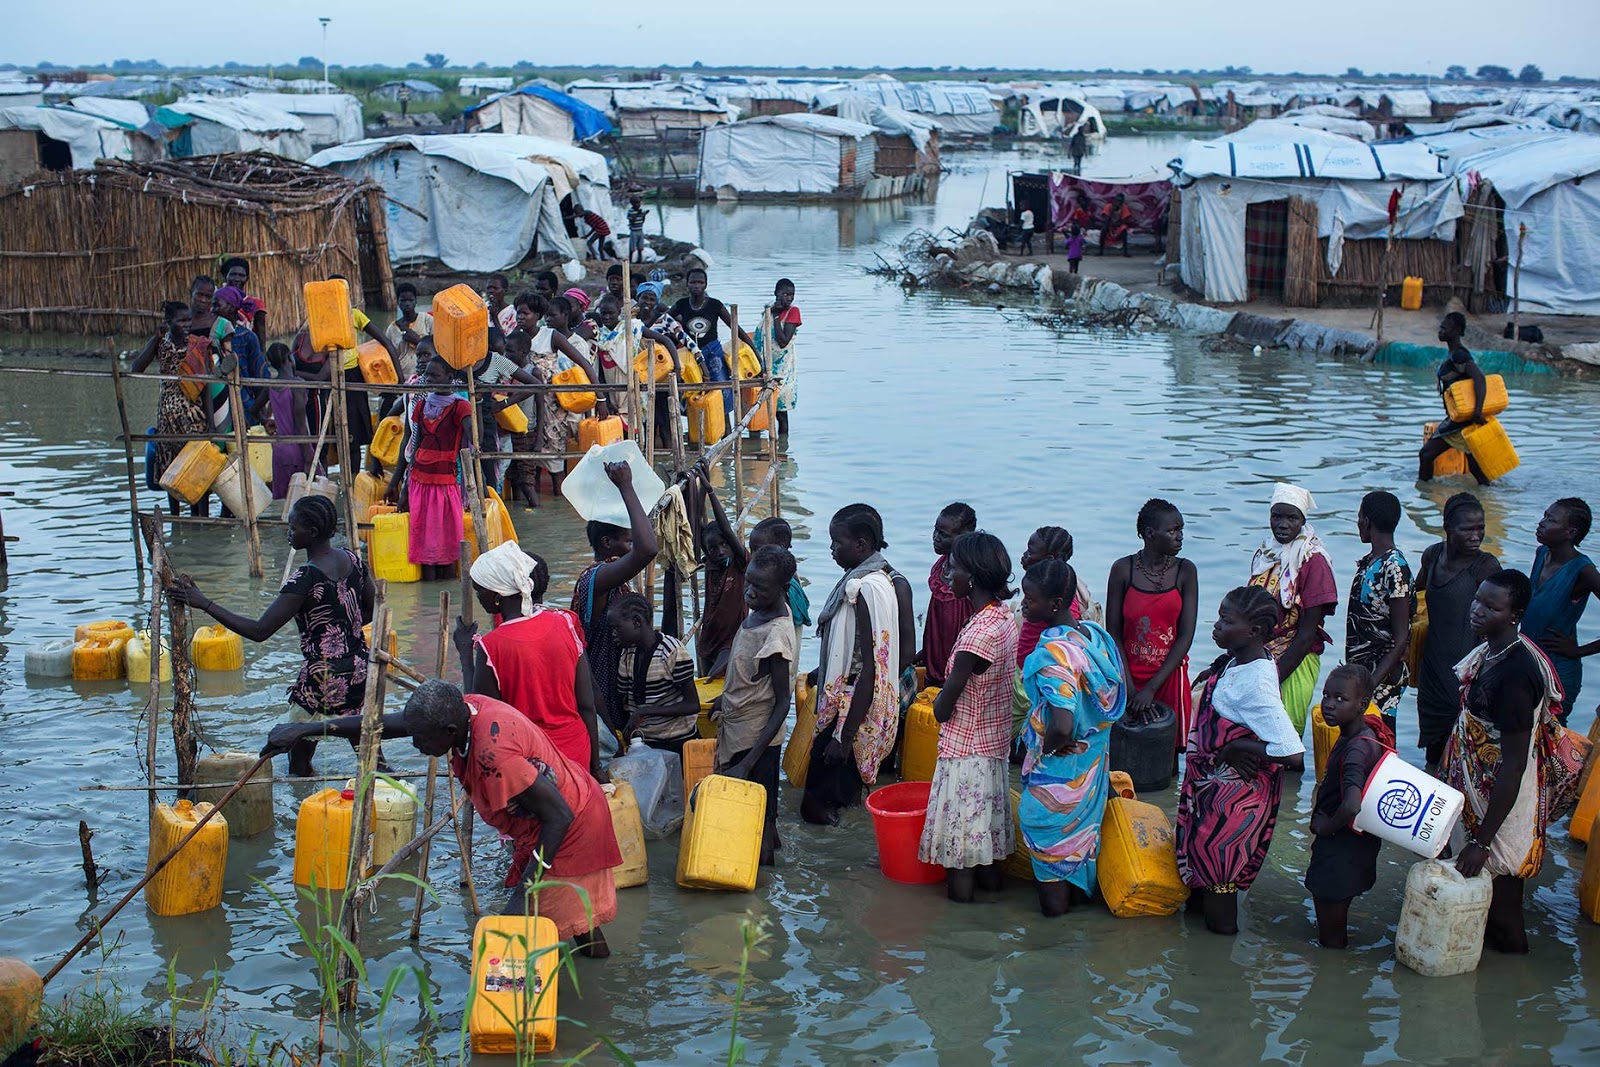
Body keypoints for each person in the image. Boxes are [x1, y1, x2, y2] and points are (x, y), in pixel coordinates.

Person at [263, 681, 619, 957]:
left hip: (570, 827)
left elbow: (559, 815)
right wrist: (307, 730)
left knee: (538, 925)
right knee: (575, 920)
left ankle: (560, 1014)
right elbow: (384, 725)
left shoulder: (493, 755)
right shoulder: (465, 712)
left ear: (449, 732)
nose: (415, 744)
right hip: (555, 813)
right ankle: (593, 976)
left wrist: (526, 889)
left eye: (420, 737)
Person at [172, 496, 376, 776]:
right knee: (368, 751)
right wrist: (339, 630)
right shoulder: (353, 559)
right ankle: (387, 789)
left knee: (298, 761)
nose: (288, 532)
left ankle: (300, 806)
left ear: (313, 532)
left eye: (293, 528)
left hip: (322, 680)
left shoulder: (304, 579)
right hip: (360, 670)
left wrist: (204, 603)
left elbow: (260, 631)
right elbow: (370, 611)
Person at [1446, 570, 1565, 954]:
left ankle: (1520, 988)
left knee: (1504, 907)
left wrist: (1483, 841)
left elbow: (1513, 765)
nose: (1477, 610)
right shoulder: (1492, 651)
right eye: (1477, 599)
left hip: (1502, 802)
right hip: (1480, 790)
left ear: (1515, 614)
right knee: (1483, 898)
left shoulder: (1516, 674)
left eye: (1491, 606)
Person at [1176, 586, 1306, 936]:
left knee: (1221, 881)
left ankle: (1220, 971)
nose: (1216, 626)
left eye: (1226, 621)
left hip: (1231, 809)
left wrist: (1239, 749)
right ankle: (1194, 959)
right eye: (1219, 617)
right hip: (1214, 796)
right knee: (1204, 881)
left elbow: (1291, 751)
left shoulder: (1256, 683)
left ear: (1255, 632)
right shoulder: (1242, 658)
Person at [1017, 559, 1127, 915]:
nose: (1022, 605)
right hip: (1092, 770)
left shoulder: (1054, 653)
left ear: (1054, 604)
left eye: (1029, 599)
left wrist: (1043, 754)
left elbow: (1062, 724)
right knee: (1079, 849)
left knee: (1049, 856)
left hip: (1060, 779)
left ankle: (1053, 943)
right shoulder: (1095, 637)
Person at [919, 531, 1020, 901]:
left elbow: (944, 708)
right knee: (987, 850)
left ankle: (956, 941)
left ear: (973, 577)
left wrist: (934, 699)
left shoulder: (977, 635)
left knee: (959, 857)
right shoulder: (1003, 617)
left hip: (965, 756)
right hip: (992, 749)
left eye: (954, 569)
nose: (948, 576)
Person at [455, 541, 604, 783]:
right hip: (577, 753)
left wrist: (465, 654)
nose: (478, 596)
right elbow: (587, 704)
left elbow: (482, 716)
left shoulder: (492, 646)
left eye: (479, 590)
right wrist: (596, 767)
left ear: (495, 597)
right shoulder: (564, 623)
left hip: (533, 765)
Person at [802, 504, 904, 824]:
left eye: (837, 542)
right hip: (858, 708)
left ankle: (832, 864)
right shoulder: (878, 580)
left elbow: (869, 667)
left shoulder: (863, 590)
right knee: (843, 801)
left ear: (860, 545)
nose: (832, 549)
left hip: (849, 714)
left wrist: (842, 738)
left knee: (816, 808)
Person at [712, 545, 799, 865]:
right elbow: (749, 669)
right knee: (765, 815)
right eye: (748, 582)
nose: (748, 591)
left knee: (758, 816)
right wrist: (725, 696)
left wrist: (749, 761)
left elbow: (781, 703)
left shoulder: (776, 635)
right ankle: (769, 869)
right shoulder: (759, 610)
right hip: (738, 725)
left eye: (759, 587)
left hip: (757, 738)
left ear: (782, 590)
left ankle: (762, 890)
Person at [1306, 665, 1393, 949]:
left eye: (1340, 699)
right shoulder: (1364, 734)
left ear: (1362, 705)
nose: (1329, 705)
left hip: (1341, 848)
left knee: (1330, 938)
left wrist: (1325, 827)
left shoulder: (1356, 749)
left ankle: (1329, 980)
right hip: (1358, 847)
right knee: (1335, 919)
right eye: (1326, 695)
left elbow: (1352, 805)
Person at [1415, 493, 1501, 772]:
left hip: (1468, 674)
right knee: (1433, 752)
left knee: (1465, 754)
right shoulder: (1432, 555)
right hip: (1433, 668)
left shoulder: (1485, 566)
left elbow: (1504, 618)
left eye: (1481, 528)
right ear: (1448, 529)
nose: (1477, 535)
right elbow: (1413, 598)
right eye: (1468, 529)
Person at [572, 463, 660, 734]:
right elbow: (648, 550)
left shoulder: (615, 577)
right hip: (601, 692)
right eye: (628, 541)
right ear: (607, 543)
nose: (633, 547)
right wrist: (626, 486)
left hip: (619, 689)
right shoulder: (595, 579)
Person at [1106, 498, 1198, 747]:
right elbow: (1112, 633)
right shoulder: (1123, 570)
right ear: (1149, 534)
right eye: (1172, 531)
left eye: (1181, 529)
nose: (1180, 536)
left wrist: (1151, 689)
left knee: (1167, 751)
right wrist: (1131, 688)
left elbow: (1185, 637)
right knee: (1124, 747)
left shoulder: (1185, 572)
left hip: (1169, 675)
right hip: (1127, 674)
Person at [1247, 482, 1338, 735]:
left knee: (1284, 737)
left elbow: (1307, 633)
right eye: (1277, 516)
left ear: (1302, 520)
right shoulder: (1266, 554)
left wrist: (1274, 677)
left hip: (1296, 659)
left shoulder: (1313, 560)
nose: (1283, 524)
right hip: (1261, 658)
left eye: (1291, 517)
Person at [384, 356, 471, 582]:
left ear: (450, 378)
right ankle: (430, 594)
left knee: (449, 543)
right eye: (428, 375)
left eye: (435, 375)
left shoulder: (461, 407)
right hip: (419, 480)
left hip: (446, 481)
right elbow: (415, 444)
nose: (429, 380)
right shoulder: (422, 405)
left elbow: (473, 439)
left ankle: (447, 595)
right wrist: (402, 488)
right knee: (425, 543)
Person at [131, 300, 213, 517]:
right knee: (171, 468)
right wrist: (154, 341)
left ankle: (201, 519)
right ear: (168, 323)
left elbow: (205, 385)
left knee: (197, 467)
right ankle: (176, 519)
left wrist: (211, 425)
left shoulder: (198, 345)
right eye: (181, 320)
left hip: (194, 414)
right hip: (167, 416)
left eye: (189, 320)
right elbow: (136, 368)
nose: (187, 324)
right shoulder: (161, 344)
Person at [1523, 498, 1598, 725]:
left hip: (1559, 672)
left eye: (1550, 519)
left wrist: (1578, 651)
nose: (1541, 523)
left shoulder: (1584, 570)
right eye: (1544, 515)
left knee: (1550, 740)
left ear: (1570, 532)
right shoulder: (1541, 553)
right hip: (1528, 663)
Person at [1346, 491, 1414, 728]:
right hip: (1363, 674)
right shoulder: (1371, 561)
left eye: (1359, 517)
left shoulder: (1394, 566)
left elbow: (1401, 636)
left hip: (1383, 676)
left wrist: (1371, 683)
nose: (1358, 523)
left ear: (1366, 521)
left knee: (1381, 735)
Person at [610, 591, 700, 756]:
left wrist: (644, 711)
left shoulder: (672, 652)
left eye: (617, 628)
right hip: (644, 742)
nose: (613, 634)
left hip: (678, 740)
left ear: (637, 622)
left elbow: (693, 705)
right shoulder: (627, 655)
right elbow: (625, 700)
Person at [671, 267, 755, 418]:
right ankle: (697, 432)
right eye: (693, 282)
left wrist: (755, 352)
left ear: (705, 285)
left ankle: (726, 430)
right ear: (687, 284)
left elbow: (735, 328)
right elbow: (664, 320)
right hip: (691, 355)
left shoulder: (715, 305)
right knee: (691, 395)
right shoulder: (682, 304)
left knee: (722, 391)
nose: (697, 285)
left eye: (700, 282)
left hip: (712, 352)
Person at [1419, 312, 1491, 484]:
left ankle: (1424, 491)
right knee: (1474, 466)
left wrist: (1477, 412)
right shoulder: (1453, 354)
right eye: (1441, 327)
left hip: (1461, 421)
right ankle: (1488, 492)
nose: (1440, 331)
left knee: (1426, 454)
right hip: (1457, 418)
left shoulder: (1460, 355)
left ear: (1457, 330)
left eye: (1445, 328)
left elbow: (1479, 379)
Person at [695, 470, 749, 677]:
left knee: (713, 679)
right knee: (707, 688)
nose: (719, 551)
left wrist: (710, 491)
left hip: (732, 637)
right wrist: (699, 489)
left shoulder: (740, 562)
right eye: (713, 548)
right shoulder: (711, 562)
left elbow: (726, 528)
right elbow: (696, 524)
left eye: (723, 545)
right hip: (709, 636)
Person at [921, 503, 979, 687]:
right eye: (936, 531)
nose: (936, 538)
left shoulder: (971, 577)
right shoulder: (941, 566)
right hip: (935, 656)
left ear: (966, 535)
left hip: (956, 663)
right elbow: (934, 619)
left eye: (944, 535)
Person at [750, 516, 809, 694]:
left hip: (776, 674)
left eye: (758, 550)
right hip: (783, 669)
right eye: (752, 549)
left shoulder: (780, 591)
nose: (753, 556)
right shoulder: (787, 576)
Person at [265, 342, 316, 499]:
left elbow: (255, 410)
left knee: (282, 500)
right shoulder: (297, 384)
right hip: (298, 449)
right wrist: (309, 458)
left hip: (279, 451)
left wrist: (267, 421)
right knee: (306, 498)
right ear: (290, 358)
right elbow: (300, 425)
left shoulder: (271, 385)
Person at [755, 278, 802, 437]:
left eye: (792, 295)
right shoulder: (769, 309)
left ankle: (782, 447)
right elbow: (759, 336)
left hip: (783, 368)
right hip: (763, 365)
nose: (788, 298)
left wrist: (775, 317)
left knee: (780, 412)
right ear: (777, 294)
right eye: (785, 294)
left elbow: (783, 341)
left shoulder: (793, 312)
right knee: (759, 408)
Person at [383, 282, 433, 396]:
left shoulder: (427, 320)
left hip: (425, 376)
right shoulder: (392, 329)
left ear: (416, 301)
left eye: (410, 300)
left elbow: (439, 348)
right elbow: (389, 357)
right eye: (403, 300)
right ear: (398, 303)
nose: (407, 304)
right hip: (402, 377)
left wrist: (417, 340)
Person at [626, 194, 648, 264]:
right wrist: (637, 214)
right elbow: (632, 221)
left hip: (640, 230)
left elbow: (643, 221)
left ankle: (640, 261)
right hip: (634, 231)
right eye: (637, 203)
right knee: (632, 248)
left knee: (640, 247)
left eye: (639, 202)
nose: (638, 204)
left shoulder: (641, 211)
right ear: (632, 204)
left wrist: (643, 215)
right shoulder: (630, 211)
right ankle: (630, 261)